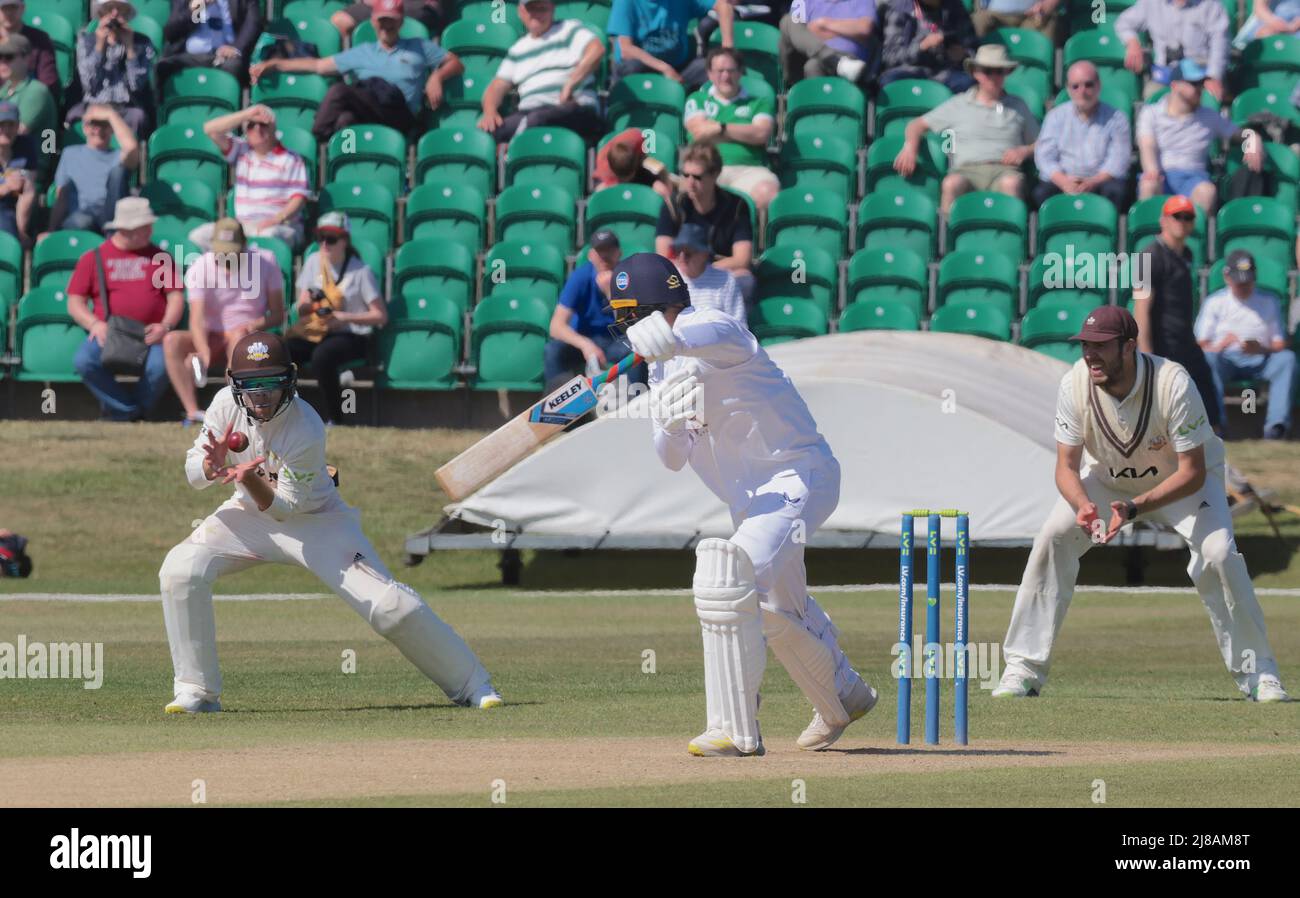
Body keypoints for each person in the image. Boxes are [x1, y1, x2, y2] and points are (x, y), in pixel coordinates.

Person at [612, 252, 875, 756]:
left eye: (631, 315)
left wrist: (673, 337)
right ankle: (843, 693)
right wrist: (670, 425)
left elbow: (708, 331)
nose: (626, 327)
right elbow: (671, 459)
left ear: (656, 309)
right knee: (779, 610)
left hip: (798, 477)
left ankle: (734, 729)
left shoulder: (716, 329)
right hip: (753, 504)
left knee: (726, 579)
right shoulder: (663, 371)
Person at [158, 330, 502, 714]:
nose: (261, 396)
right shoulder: (224, 404)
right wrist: (211, 465)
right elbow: (194, 474)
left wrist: (249, 478)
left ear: (290, 379)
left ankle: (474, 684)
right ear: (233, 383)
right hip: (248, 516)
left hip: (317, 521)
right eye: (252, 385)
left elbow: (286, 508)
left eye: (271, 383)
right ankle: (197, 691)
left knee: (391, 607)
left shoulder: (306, 426)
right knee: (180, 570)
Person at [993, 305, 1289, 703]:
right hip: (1108, 480)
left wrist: (1135, 508)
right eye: (1086, 345)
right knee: (1053, 537)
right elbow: (1065, 466)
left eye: (1101, 346)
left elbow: (1193, 472)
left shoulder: (1173, 383)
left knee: (1219, 553)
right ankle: (1023, 669)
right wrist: (1082, 504)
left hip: (1182, 485)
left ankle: (1259, 673)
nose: (1091, 355)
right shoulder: (1074, 384)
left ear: (1129, 346)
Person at [249, 0, 462, 141]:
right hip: (371, 111)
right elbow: (318, 65)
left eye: (391, 21)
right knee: (345, 121)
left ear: (401, 22)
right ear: (373, 22)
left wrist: (436, 76)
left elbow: (455, 62)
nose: (386, 26)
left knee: (340, 91)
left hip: (401, 114)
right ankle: (346, 164)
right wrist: (276, 64)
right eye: (382, 21)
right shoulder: (363, 51)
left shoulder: (418, 46)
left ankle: (315, 141)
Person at [67, 198, 185, 422]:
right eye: (144, 227)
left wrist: (165, 326)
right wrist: (94, 324)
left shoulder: (161, 258)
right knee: (84, 361)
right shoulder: (93, 258)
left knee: (160, 367)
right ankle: (128, 410)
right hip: (109, 333)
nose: (150, 231)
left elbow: (175, 297)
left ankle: (131, 411)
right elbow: (75, 302)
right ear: (125, 230)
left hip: (151, 334)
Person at [165, 218, 286, 426]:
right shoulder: (200, 267)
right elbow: (196, 318)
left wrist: (251, 326)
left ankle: (232, 410)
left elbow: (278, 314)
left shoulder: (267, 262)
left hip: (247, 337)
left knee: (239, 338)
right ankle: (192, 412)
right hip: (211, 335)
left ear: (244, 245)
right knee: (171, 341)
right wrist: (203, 350)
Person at [893, 44, 1037, 214]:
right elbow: (916, 125)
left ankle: (1014, 231)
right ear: (976, 73)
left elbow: (1040, 143)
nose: (993, 77)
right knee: (951, 184)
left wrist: (1024, 151)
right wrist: (910, 148)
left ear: (1006, 73)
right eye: (987, 71)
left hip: (1005, 170)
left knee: (1011, 184)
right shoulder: (958, 103)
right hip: (966, 170)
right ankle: (947, 230)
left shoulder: (1018, 105)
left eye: (999, 71)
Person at [1132, 195, 1223, 432]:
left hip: (1185, 340)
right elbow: (1141, 308)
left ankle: (1213, 439)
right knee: (1162, 403)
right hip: (1162, 344)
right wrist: (1147, 353)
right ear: (1163, 220)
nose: (1182, 221)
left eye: (1188, 217)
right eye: (1177, 216)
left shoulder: (1187, 254)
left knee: (1205, 394)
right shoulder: (1148, 256)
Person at [287, 212, 387, 426]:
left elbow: (380, 316)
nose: (324, 243)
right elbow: (302, 308)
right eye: (320, 237)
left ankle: (335, 417)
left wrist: (344, 318)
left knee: (322, 356)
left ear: (344, 241)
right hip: (318, 331)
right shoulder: (313, 261)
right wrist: (313, 305)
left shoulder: (361, 271)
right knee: (284, 350)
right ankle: (287, 414)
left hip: (352, 335)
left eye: (331, 238)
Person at [1136, 58, 1262, 213]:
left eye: (1201, 84)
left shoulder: (1209, 116)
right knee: (1148, 185)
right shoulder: (1151, 113)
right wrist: (1152, 170)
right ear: (1175, 85)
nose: (1199, 89)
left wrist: (1253, 138)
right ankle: (1151, 228)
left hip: (1194, 179)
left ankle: (1195, 229)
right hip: (1162, 176)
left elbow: (1240, 133)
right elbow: (1147, 146)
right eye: (1193, 83)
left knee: (1207, 192)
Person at [1196, 249, 1295, 440]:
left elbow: (1280, 343)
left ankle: (1276, 427)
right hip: (1224, 358)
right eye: (1238, 281)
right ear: (1227, 277)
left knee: (1287, 359)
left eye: (1247, 281)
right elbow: (1200, 343)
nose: (1243, 286)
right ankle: (1217, 424)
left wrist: (1260, 348)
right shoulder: (1214, 302)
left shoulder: (1269, 301)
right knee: (1208, 359)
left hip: (1262, 358)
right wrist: (1221, 344)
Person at [477, 0, 606, 145]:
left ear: (552, 8)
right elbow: (497, 86)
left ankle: (514, 149)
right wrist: (490, 111)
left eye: (542, 8)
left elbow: (596, 50)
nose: (537, 14)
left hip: (574, 107)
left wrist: (571, 83)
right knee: (487, 133)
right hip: (529, 113)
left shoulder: (569, 29)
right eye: (532, 8)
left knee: (536, 119)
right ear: (521, 12)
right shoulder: (518, 49)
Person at [195, 104, 310, 250]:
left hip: (281, 226)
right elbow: (210, 130)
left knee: (267, 236)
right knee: (199, 236)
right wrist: (246, 115)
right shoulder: (241, 150)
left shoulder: (291, 159)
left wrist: (276, 219)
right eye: (251, 125)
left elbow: (299, 198)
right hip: (244, 226)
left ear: (274, 128)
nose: (257, 129)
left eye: (263, 124)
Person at [655, 143, 755, 301]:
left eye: (697, 177)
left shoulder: (736, 206)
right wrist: (691, 271)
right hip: (682, 273)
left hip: (721, 274)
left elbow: (742, 259)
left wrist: (706, 272)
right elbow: (663, 257)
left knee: (745, 280)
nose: (690, 182)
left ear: (715, 174)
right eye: (685, 175)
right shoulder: (672, 205)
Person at [684, 48, 779, 212]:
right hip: (703, 169)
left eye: (731, 70)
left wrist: (720, 128)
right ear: (709, 74)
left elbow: (761, 134)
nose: (726, 76)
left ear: (740, 72)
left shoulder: (759, 103)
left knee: (768, 192)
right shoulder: (697, 99)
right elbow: (698, 134)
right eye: (720, 71)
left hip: (748, 170)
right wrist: (744, 132)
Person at [544, 229, 641, 390]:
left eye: (609, 250)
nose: (604, 256)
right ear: (591, 255)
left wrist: (611, 293)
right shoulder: (580, 277)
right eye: (600, 251)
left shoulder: (628, 277)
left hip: (617, 340)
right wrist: (585, 345)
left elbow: (633, 327)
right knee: (553, 350)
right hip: (585, 338)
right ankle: (558, 401)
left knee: (638, 348)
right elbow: (556, 327)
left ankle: (638, 399)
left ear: (619, 253)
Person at [1032, 62, 1131, 209]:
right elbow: (1044, 157)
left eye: (1088, 85)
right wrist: (1064, 181)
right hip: (1063, 179)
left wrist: (1093, 181)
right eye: (1075, 86)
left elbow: (1119, 160)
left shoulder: (1117, 118)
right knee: (1041, 193)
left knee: (1116, 192)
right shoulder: (1055, 116)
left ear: (1098, 86)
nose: (1082, 91)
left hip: (1101, 180)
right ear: (1068, 89)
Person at [46, 104, 139, 235]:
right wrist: (51, 230)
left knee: (118, 172)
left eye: (104, 124)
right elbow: (61, 196)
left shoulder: (119, 155)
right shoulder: (70, 154)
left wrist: (111, 115)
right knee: (78, 223)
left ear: (111, 128)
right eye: (93, 124)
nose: (98, 129)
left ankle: (113, 236)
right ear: (85, 128)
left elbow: (131, 148)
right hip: (83, 214)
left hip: (112, 214)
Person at [69, 0, 158, 136]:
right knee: (74, 114)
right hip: (94, 105)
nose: (114, 14)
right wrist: (99, 47)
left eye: (120, 9)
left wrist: (130, 49)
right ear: (101, 14)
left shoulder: (142, 42)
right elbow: (89, 84)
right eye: (109, 8)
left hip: (126, 106)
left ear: (127, 15)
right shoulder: (87, 41)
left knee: (138, 117)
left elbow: (137, 85)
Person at [1116, 0, 1230, 101]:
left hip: (1201, 78)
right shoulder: (1150, 2)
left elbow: (1220, 46)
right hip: (1164, 77)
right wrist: (1133, 43)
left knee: (1211, 99)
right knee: (1152, 96)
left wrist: (1213, 77)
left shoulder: (1211, 5)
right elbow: (1123, 23)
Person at [608, 0, 735, 90]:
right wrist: (664, 68)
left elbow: (724, 6)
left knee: (709, 70)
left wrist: (727, 49)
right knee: (633, 66)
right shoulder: (625, 2)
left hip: (679, 67)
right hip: (643, 67)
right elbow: (626, 49)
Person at [876, 0, 977, 90]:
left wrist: (963, 54)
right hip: (908, 70)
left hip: (945, 71)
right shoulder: (900, 7)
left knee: (970, 83)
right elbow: (890, 57)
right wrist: (921, 47)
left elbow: (973, 46)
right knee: (889, 82)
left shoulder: (955, 6)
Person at [158, 0, 264, 84]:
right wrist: (194, 11)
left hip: (225, 58)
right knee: (163, 67)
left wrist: (236, 48)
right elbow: (170, 33)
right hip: (189, 56)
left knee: (234, 67)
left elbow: (253, 23)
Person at [778, 0, 876, 86]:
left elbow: (864, 28)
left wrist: (823, 24)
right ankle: (835, 61)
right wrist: (845, 30)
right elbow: (798, 33)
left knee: (813, 65)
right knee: (787, 21)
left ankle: (833, 61)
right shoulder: (804, 2)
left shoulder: (862, 1)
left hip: (849, 62)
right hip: (804, 59)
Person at [671, 222, 746, 320]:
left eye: (687, 253)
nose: (681, 258)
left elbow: (739, 323)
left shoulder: (726, 280)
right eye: (677, 251)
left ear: (704, 254)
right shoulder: (670, 279)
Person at [0, 0, 61, 102]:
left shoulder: (40, 39)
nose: (9, 13)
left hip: (29, 101)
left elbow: (49, 82)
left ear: (22, 8)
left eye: (13, 7)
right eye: (4, 8)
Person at [0, 34, 56, 144]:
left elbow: (14, 133)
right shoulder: (4, 90)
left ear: (27, 58)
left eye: (8, 57)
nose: (2, 62)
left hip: (33, 154)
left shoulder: (36, 91)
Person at [592, 127, 675, 201]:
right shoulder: (605, 171)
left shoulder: (636, 137)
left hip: (639, 166)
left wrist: (660, 169)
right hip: (612, 179)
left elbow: (645, 158)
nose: (627, 181)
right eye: (624, 179)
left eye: (628, 177)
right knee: (599, 192)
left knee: (661, 179)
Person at [0, 101, 34, 244]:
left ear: (18, 126)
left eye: (11, 125)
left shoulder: (26, 145)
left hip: (12, 212)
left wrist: (21, 232)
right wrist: (6, 187)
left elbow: (28, 189)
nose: (6, 130)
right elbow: (11, 186)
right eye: (1, 125)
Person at [332, 0, 447, 43]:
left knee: (389, 15)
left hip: (419, 5)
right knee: (340, 20)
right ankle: (346, 73)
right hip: (381, 3)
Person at [971, 0, 1061, 43]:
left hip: (1034, 14)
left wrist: (1047, 4)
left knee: (1041, 36)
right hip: (993, 14)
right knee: (978, 22)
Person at [1233, 0, 1300, 48]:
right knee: (1264, 34)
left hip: (1296, 27)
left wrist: (1293, 26)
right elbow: (1260, 9)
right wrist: (1276, 24)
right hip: (1269, 22)